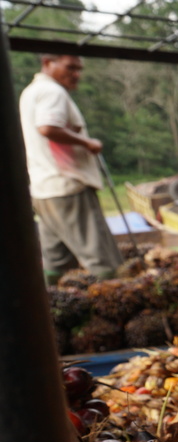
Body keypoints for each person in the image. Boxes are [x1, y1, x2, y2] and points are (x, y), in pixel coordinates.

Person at [19, 53, 123, 284]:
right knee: (102, 259)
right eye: (70, 67)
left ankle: (54, 311)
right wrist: (88, 143)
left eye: (79, 69)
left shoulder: (30, 92)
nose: (76, 74)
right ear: (48, 63)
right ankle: (118, 309)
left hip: (43, 190)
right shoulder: (52, 91)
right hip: (68, 187)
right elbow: (48, 127)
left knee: (56, 261)